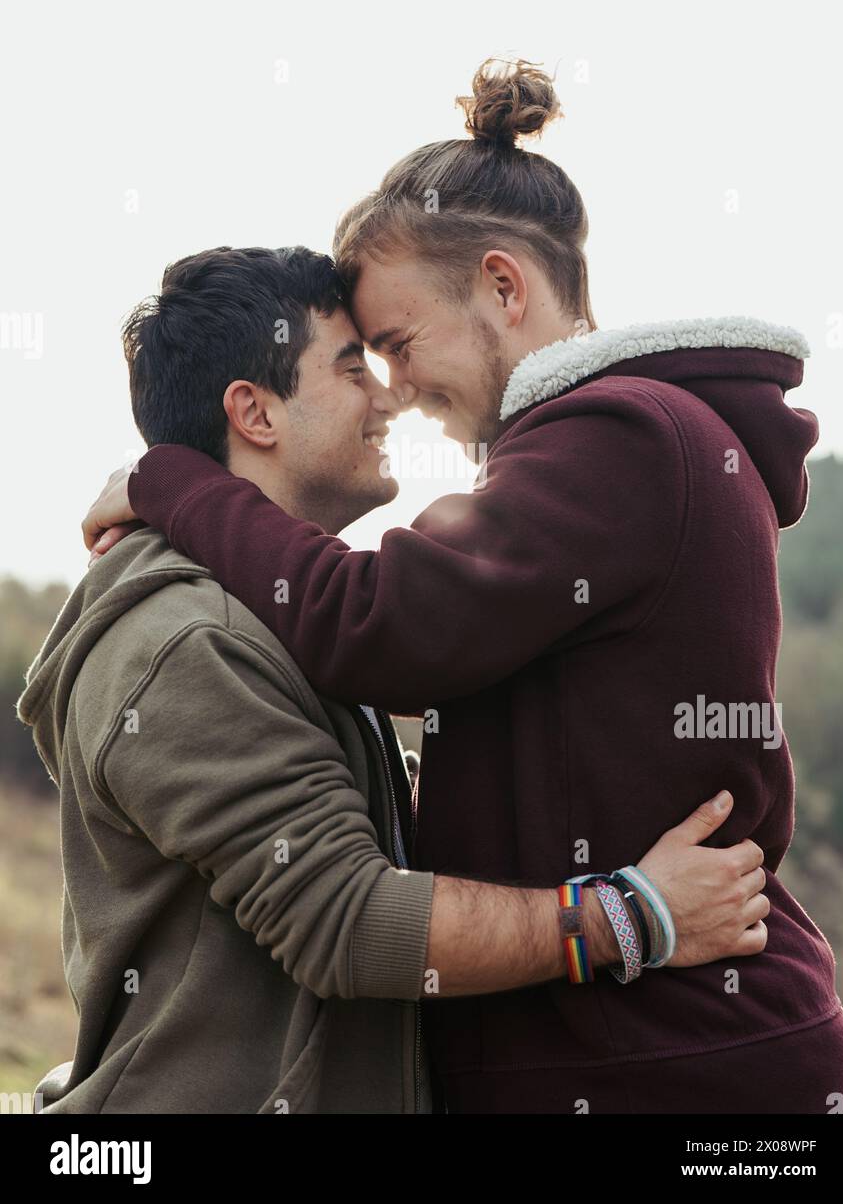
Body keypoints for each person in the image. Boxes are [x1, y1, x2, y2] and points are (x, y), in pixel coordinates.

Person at [83, 60, 843, 1114]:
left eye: (395, 347)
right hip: (644, 1056)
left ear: (503, 286)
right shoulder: (604, 449)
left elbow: (374, 625)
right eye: (364, 361)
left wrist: (171, 480)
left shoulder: (618, 438)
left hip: (665, 1067)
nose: (395, 392)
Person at [19, 245, 764, 1115]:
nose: (388, 398)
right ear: (254, 413)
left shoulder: (275, 616)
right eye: (351, 369)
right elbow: (352, 922)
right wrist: (629, 918)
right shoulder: (190, 641)